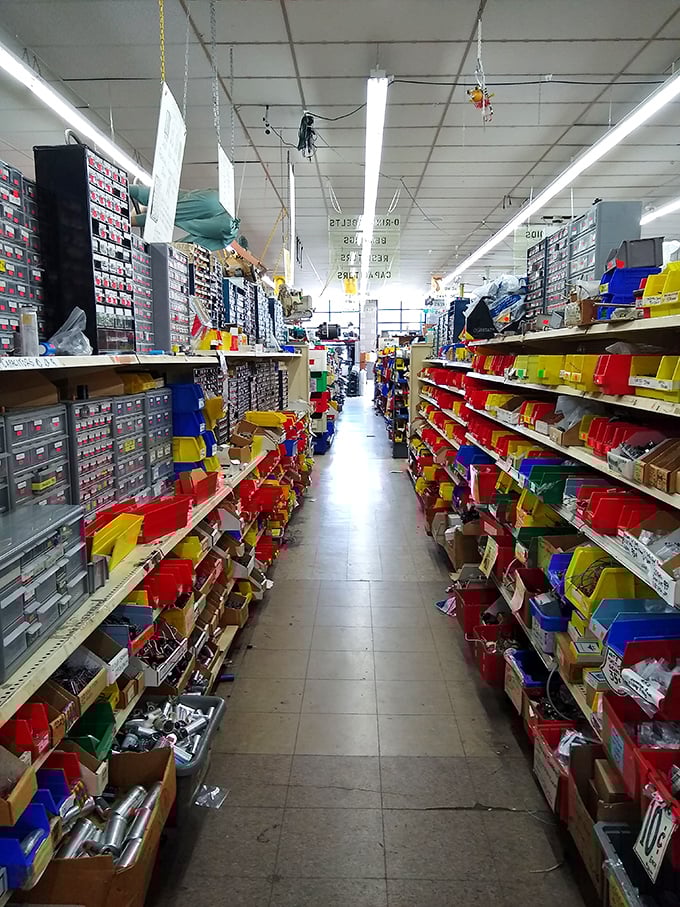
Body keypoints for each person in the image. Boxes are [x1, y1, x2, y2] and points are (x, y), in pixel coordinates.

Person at [129, 186, 240, 251]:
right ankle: (128, 220)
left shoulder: (227, 232)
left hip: (215, 198)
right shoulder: (226, 234)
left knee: (169, 199)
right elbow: (170, 218)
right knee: (170, 215)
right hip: (223, 225)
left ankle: (124, 186)